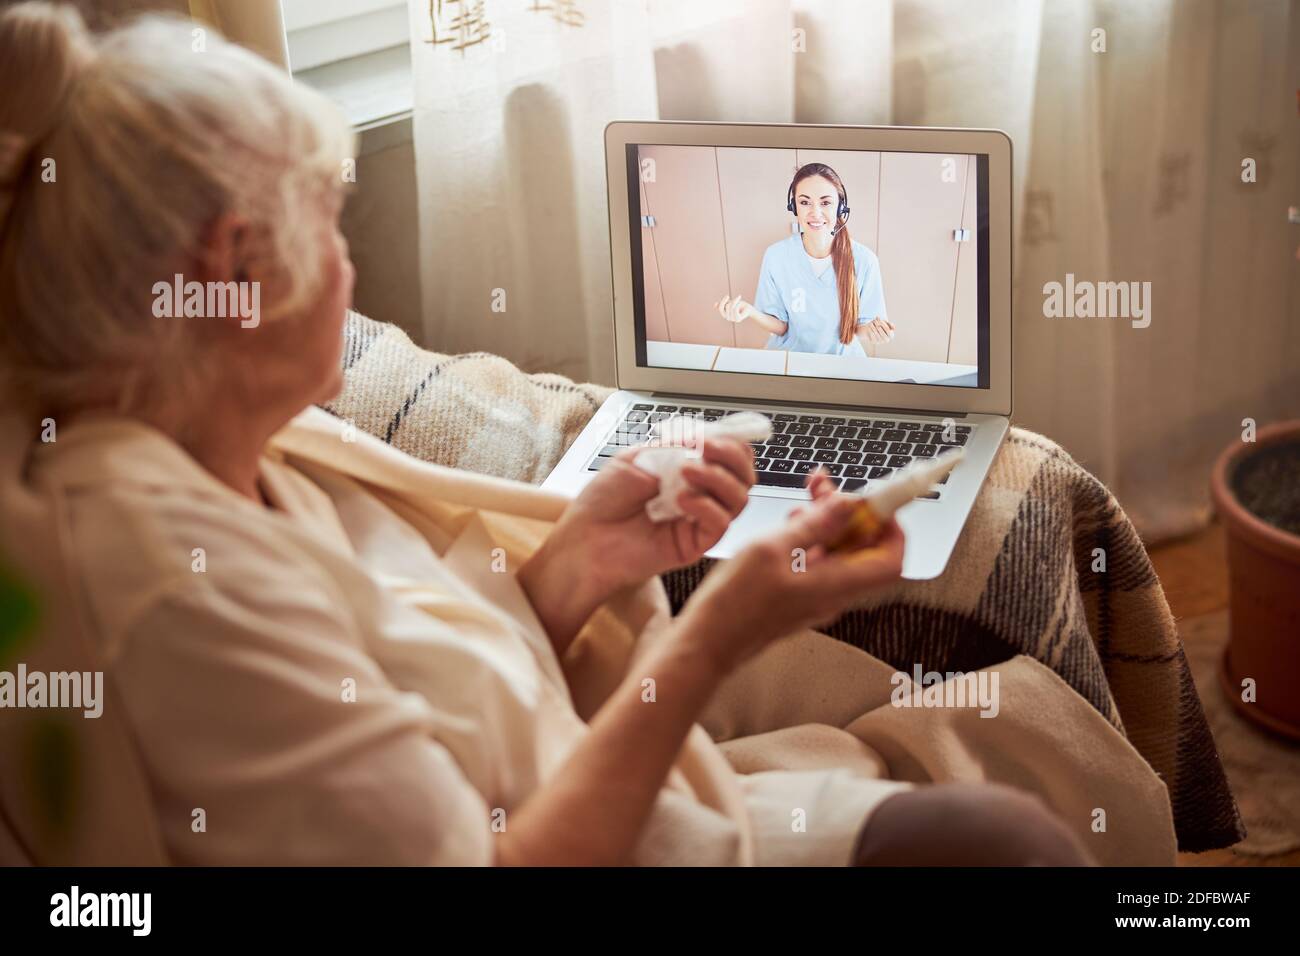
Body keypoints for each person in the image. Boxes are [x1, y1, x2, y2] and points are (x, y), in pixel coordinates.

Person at [0, 3, 1089, 866]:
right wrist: (723, 630)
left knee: (1012, 795)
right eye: (325, 226)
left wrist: (584, 559)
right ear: (235, 272)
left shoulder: (245, 453)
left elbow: (428, 676)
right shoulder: (177, 590)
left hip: (604, 791)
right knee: (1018, 832)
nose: (351, 269)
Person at [715, 162, 895, 356]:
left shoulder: (865, 260)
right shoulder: (776, 256)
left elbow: (861, 327)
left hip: (840, 362)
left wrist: (876, 332)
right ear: (794, 207)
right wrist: (750, 311)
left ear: (840, 207)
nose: (815, 213)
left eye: (825, 203)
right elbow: (781, 327)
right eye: (805, 202)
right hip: (789, 359)